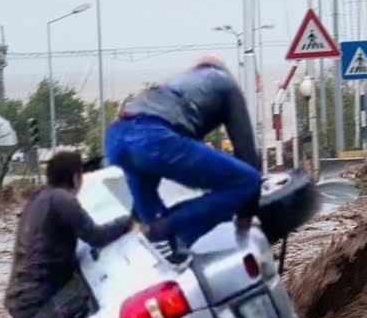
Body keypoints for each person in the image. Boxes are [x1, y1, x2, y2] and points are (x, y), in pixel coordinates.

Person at [106, 54, 262, 262]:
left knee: (153, 229)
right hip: (152, 137)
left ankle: (157, 246)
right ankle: (169, 230)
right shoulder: (226, 84)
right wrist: (245, 217)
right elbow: (248, 155)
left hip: (116, 138)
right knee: (248, 180)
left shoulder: (176, 84)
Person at [5, 150, 132, 318]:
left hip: (19, 306)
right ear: (75, 177)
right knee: (104, 294)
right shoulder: (63, 200)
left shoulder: (38, 198)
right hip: (37, 311)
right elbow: (97, 236)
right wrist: (132, 221)